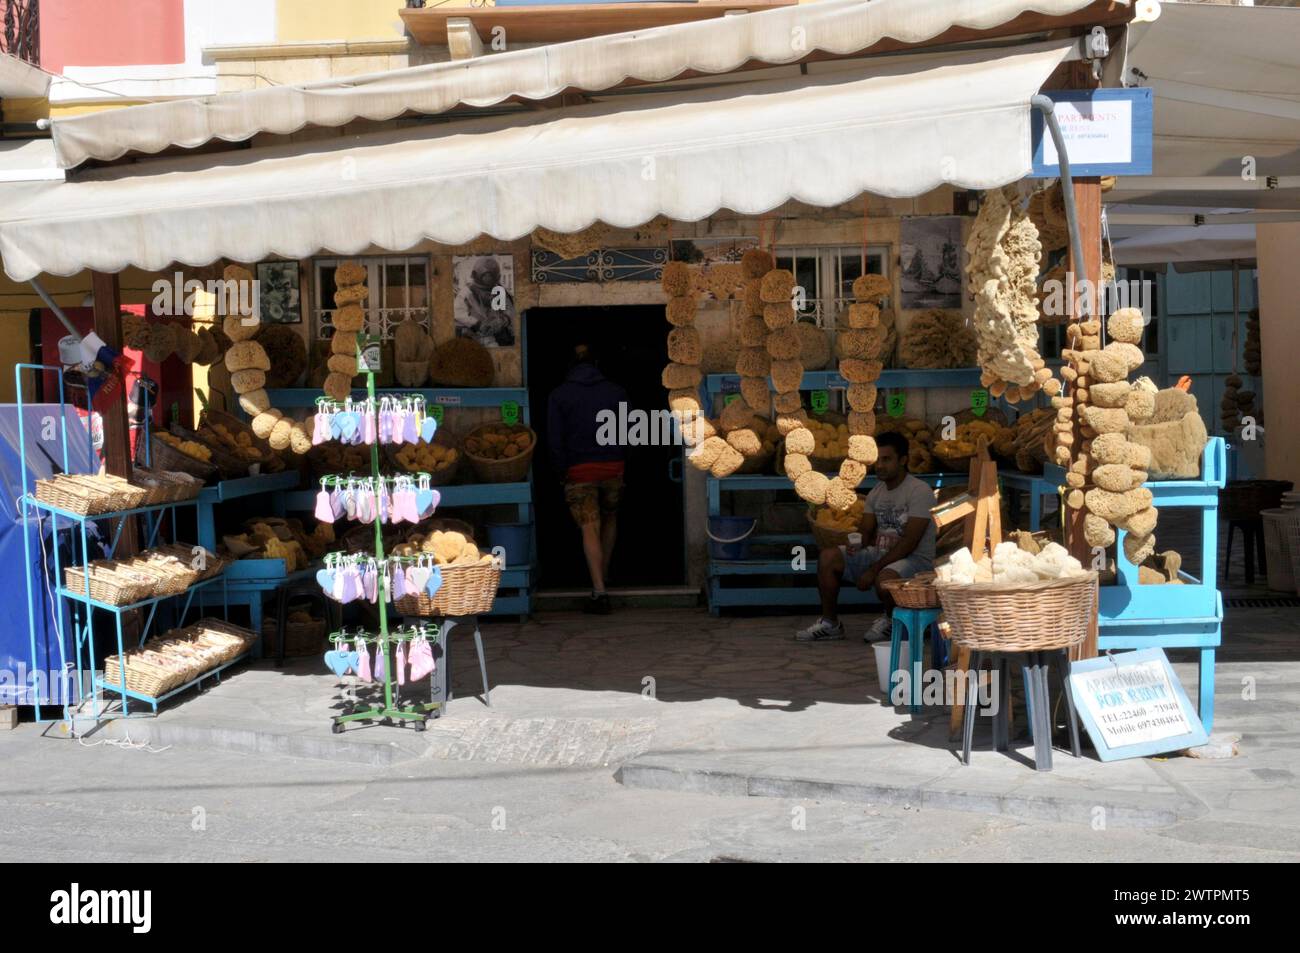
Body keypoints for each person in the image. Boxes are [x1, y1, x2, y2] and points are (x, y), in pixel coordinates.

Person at [795, 430, 936, 642]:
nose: (879, 465)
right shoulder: (876, 493)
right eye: (877, 460)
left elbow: (909, 542)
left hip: (914, 561)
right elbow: (865, 531)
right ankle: (830, 624)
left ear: (903, 460)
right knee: (828, 557)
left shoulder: (919, 491)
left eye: (886, 459)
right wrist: (856, 544)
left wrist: (872, 570)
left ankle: (892, 620)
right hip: (881, 555)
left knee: (884, 579)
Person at [546, 343, 628, 614]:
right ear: (597, 364)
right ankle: (601, 579)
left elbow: (555, 442)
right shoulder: (617, 393)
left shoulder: (559, 396)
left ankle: (599, 591)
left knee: (589, 527)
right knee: (610, 518)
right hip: (613, 468)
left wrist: (561, 472)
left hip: (580, 471)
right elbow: (626, 433)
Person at [455, 256, 516, 347]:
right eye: (485, 275)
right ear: (476, 275)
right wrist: (475, 323)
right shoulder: (467, 291)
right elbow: (458, 312)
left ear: (496, 276)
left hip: (496, 332)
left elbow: (509, 310)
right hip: (474, 332)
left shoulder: (498, 290)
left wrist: (503, 320)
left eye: (490, 275)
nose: (488, 278)